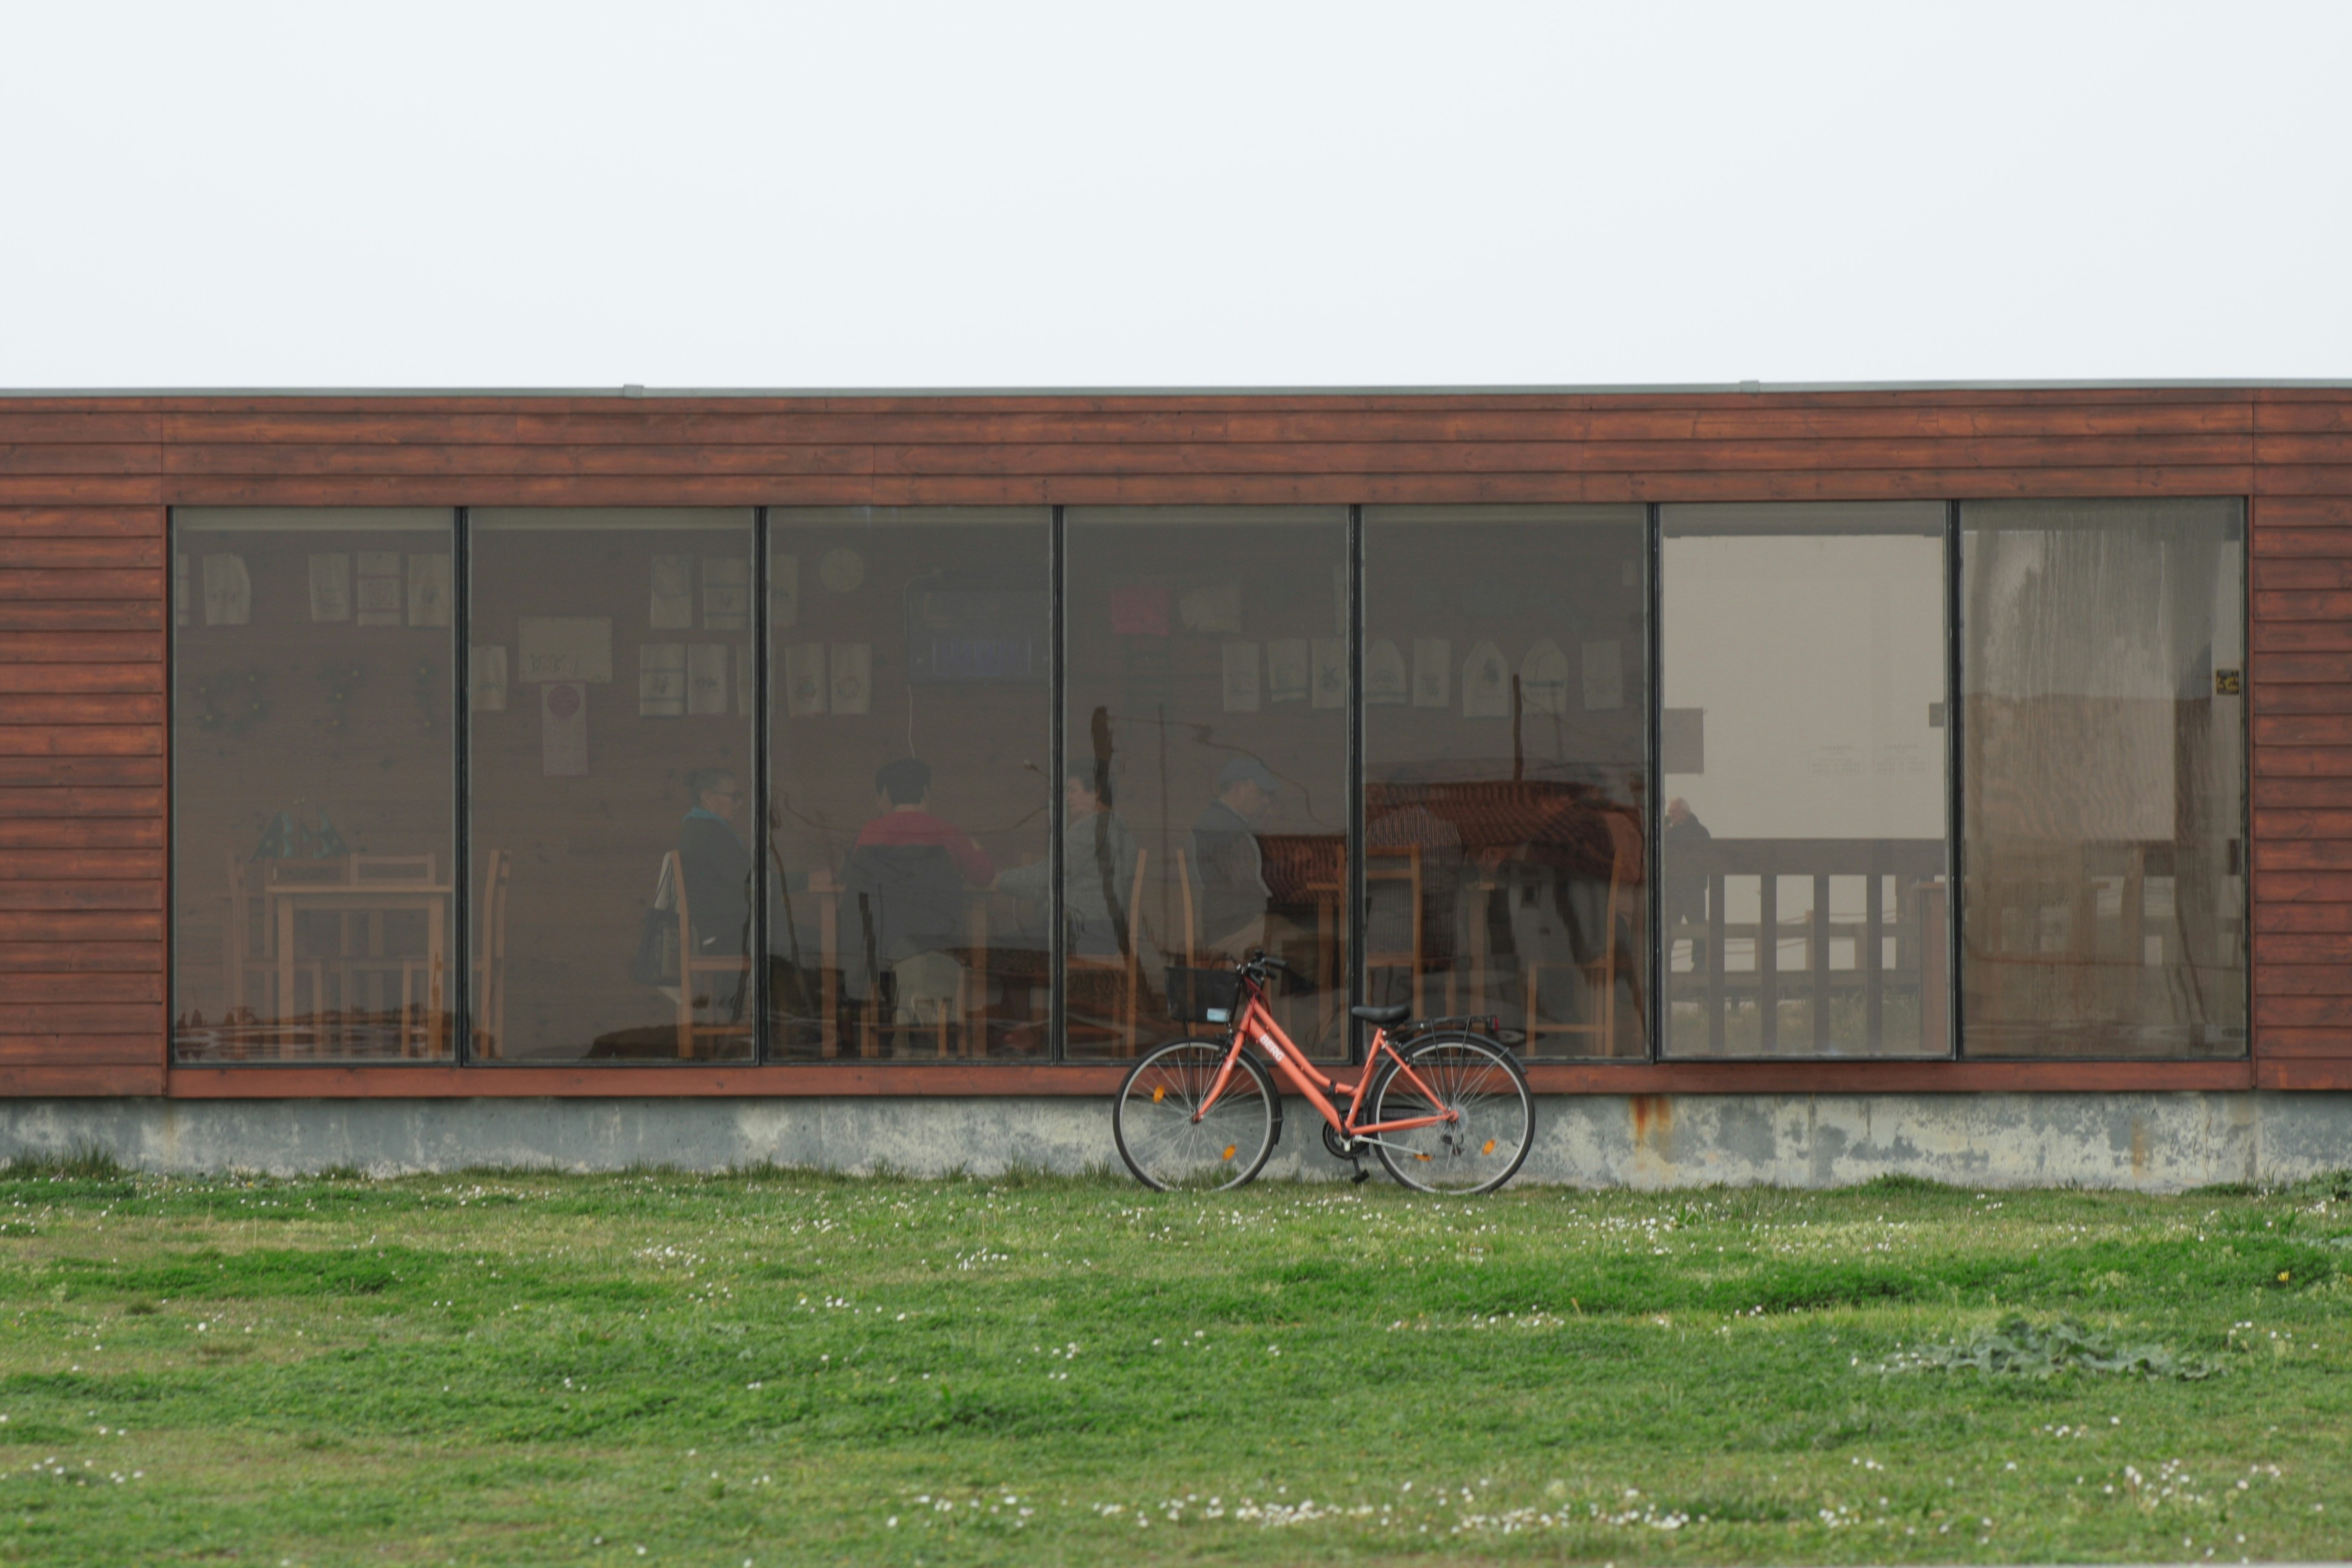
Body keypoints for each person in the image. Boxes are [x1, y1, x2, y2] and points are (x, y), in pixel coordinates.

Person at [849, 758, 995, 1034]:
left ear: (887, 795)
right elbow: (984, 876)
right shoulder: (946, 832)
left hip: (882, 943)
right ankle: (938, 1027)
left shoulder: (871, 833)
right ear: (927, 792)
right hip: (936, 938)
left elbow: (858, 881)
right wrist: (976, 847)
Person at [998, 767, 1140, 958]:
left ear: (1097, 791)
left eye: (1073, 790)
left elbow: (1050, 875)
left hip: (1083, 932)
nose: (1067, 798)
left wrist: (998, 880)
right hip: (1103, 932)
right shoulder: (1118, 827)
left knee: (992, 949)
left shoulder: (1093, 827)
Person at [1191, 756, 1278, 957]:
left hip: (1228, 922)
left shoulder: (1219, 821)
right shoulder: (1225, 827)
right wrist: (1277, 904)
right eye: (1261, 791)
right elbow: (1245, 884)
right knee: (1313, 937)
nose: (1266, 800)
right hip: (1236, 928)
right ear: (1239, 787)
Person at [678, 767, 752, 957]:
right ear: (708, 797)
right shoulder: (709, 833)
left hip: (726, 930)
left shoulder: (698, 828)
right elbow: (750, 882)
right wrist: (807, 880)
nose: (740, 804)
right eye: (734, 796)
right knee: (815, 946)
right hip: (728, 934)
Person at [1663, 795, 1714, 970]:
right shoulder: (1668, 833)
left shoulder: (1699, 832)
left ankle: (1699, 964)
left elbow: (1709, 859)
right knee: (1668, 929)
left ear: (1685, 813)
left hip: (1692, 890)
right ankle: (1663, 965)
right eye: (1670, 812)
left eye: (1674, 812)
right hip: (1674, 890)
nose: (1671, 815)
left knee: (1697, 929)